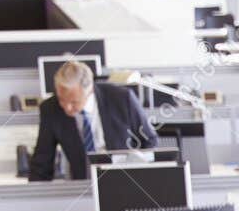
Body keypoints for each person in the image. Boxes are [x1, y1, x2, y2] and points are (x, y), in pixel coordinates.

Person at [28, 59, 157, 182]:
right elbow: (42, 163)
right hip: (83, 185)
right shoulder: (50, 109)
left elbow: (149, 140)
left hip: (124, 179)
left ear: (89, 91)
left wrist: (139, 170)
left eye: (74, 102)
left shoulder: (122, 99)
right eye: (62, 99)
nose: (66, 107)